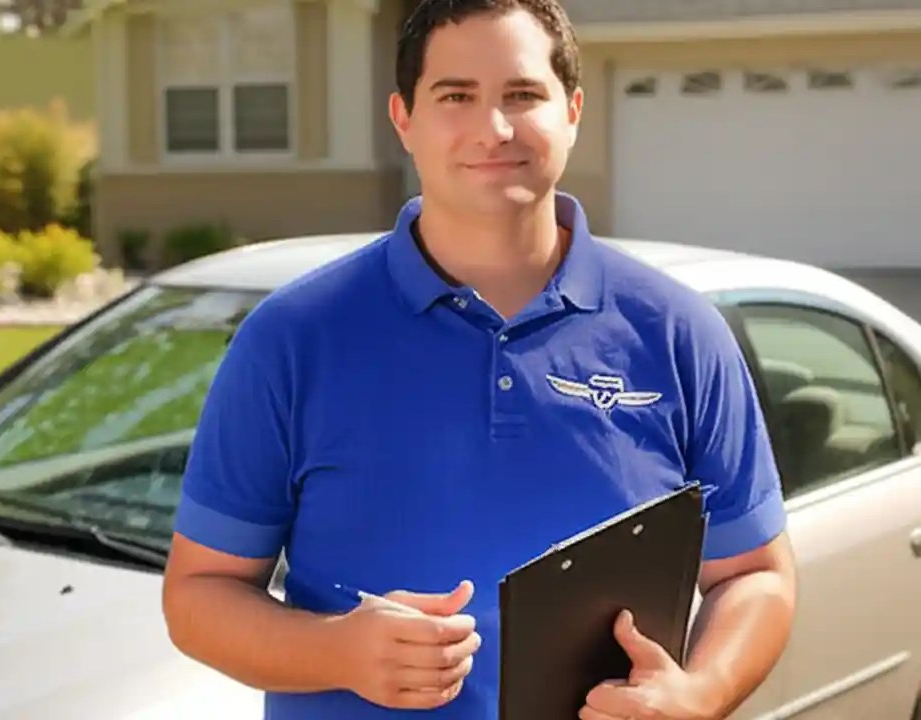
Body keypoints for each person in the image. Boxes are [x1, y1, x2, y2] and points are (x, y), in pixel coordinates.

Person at [161, 1, 799, 718]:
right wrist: (339, 650)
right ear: (403, 119)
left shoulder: (679, 332)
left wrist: (701, 692)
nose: (493, 129)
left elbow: (756, 575)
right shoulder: (292, 338)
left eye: (523, 95)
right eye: (455, 95)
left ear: (573, 111)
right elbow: (198, 595)